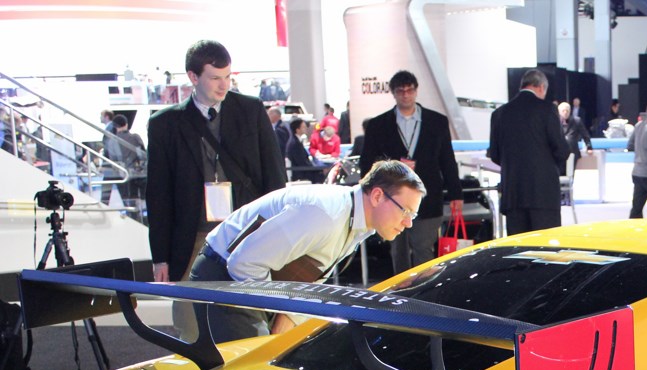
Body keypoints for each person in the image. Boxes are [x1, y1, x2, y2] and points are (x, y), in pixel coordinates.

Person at [187, 160, 426, 341]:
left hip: (257, 279)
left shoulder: (358, 222)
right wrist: (278, 314)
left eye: (413, 215)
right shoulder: (324, 214)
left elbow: (309, 274)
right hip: (224, 275)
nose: (409, 223)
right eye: (405, 212)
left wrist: (287, 318)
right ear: (376, 195)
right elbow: (243, 263)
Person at [145, 39, 287, 290]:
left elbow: (273, 173)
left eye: (228, 76)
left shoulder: (250, 109)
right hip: (193, 236)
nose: (224, 85)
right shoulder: (165, 123)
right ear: (193, 76)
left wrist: (279, 235)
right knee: (191, 318)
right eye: (214, 78)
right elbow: (158, 195)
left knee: (246, 314)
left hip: (247, 231)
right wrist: (160, 258)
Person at [360, 69, 463, 273]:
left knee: (424, 248)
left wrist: (456, 194)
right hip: (392, 197)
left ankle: (424, 295)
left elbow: (447, 160)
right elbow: (368, 163)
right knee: (398, 250)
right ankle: (401, 296)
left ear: (416, 91)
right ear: (394, 93)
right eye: (401, 91)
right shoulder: (378, 125)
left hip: (428, 195)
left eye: (410, 90)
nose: (406, 95)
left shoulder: (437, 122)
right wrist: (392, 165)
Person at [486, 68, 571, 235]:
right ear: (540, 87)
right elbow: (562, 150)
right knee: (545, 250)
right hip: (543, 193)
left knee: (519, 252)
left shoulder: (499, 114)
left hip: (513, 194)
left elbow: (495, 154)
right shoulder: (547, 110)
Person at [110, 114, 146, 210]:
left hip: (121, 175)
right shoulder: (135, 138)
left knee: (127, 203)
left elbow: (112, 159)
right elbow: (142, 155)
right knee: (140, 202)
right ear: (126, 124)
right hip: (138, 175)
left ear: (114, 126)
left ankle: (132, 218)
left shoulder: (112, 141)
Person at [558, 101, 593, 173]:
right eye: (563, 111)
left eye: (567, 110)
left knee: (571, 174)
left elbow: (585, 135)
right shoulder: (555, 122)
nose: (565, 112)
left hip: (572, 153)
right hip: (559, 153)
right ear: (559, 112)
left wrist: (589, 147)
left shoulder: (577, 121)